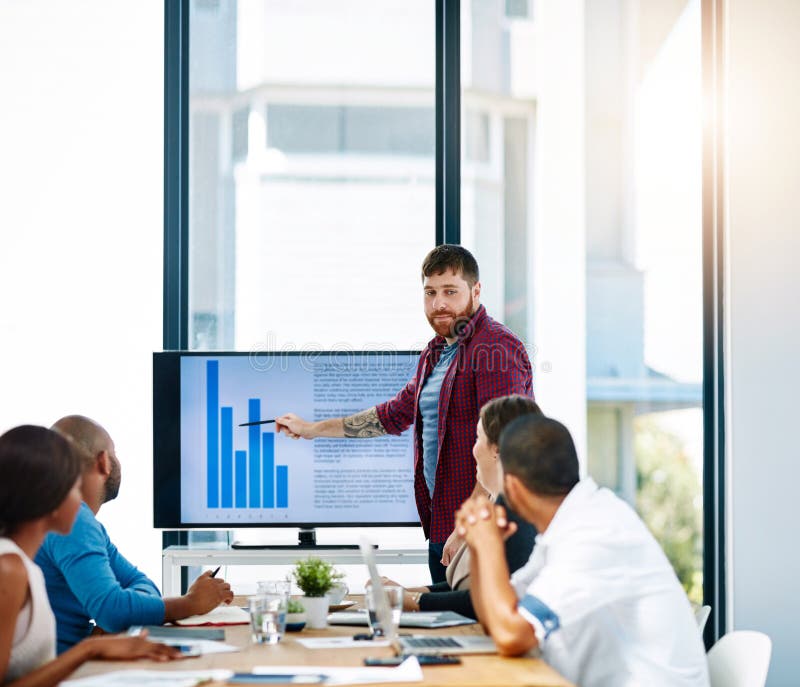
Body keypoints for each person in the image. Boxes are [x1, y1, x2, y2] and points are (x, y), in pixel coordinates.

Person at [276, 245, 533, 582]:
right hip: (444, 525)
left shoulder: (494, 347)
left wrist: (470, 521)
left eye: (450, 292)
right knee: (444, 624)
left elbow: (504, 445)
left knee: (471, 625)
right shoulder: (435, 352)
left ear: (476, 291)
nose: (439, 303)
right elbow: (392, 414)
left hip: (481, 528)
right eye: (430, 293)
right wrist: (311, 429)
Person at [457, 414, 710, 687]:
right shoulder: (569, 525)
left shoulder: (595, 532)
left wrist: (489, 544)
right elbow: (496, 622)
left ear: (513, 487)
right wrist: (477, 546)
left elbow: (510, 635)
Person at [0, 425, 181, 686]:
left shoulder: (26, 565)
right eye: (74, 489)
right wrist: (90, 649)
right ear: (49, 497)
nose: (81, 504)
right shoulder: (9, 569)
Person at [35, 416, 234, 653]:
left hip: (74, 657)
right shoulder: (74, 518)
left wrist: (120, 613)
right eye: (115, 452)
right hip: (59, 671)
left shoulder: (74, 518)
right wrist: (191, 603)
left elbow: (141, 584)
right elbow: (112, 610)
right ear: (104, 462)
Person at [380, 395, 540, 619]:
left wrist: (415, 601)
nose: (473, 450)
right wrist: (407, 593)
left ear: (496, 449)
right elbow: (468, 586)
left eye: (477, 438)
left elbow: (487, 598)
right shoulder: (500, 504)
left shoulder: (516, 514)